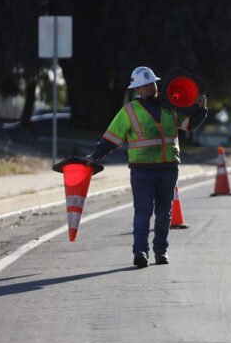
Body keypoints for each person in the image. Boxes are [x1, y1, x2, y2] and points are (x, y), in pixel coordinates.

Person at [85, 66, 207, 268]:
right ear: (137, 90)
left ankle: (161, 251)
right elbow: (111, 139)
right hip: (142, 170)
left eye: (152, 83)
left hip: (168, 168)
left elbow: (189, 124)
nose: (151, 88)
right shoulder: (129, 111)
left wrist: (202, 108)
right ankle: (140, 252)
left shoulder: (169, 106)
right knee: (143, 210)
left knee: (164, 211)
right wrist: (94, 156)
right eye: (145, 85)